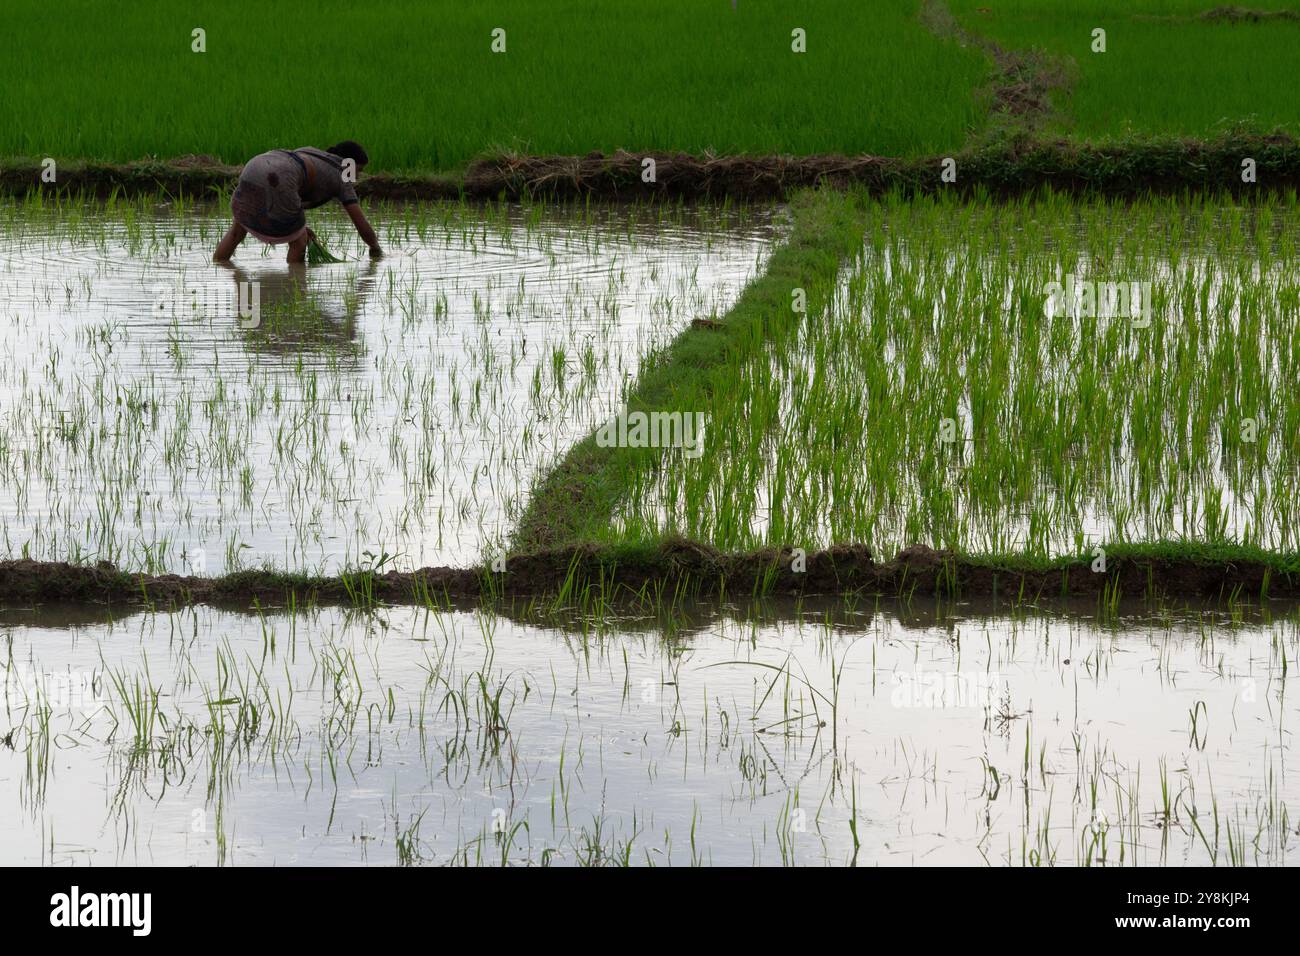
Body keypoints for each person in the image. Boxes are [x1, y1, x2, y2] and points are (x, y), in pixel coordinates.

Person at [214, 141, 382, 263]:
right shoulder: (342, 176)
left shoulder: (310, 151)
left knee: (237, 232)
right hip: (280, 177)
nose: (357, 176)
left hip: (254, 166)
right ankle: (294, 290)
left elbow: (284, 196)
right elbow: (361, 224)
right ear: (347, 163)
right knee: (299, 242)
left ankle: (218, 268)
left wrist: (300, 227)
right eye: (358, 170)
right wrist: (375, 248)